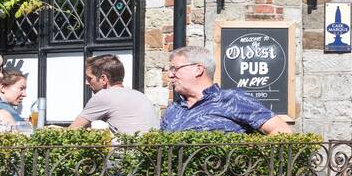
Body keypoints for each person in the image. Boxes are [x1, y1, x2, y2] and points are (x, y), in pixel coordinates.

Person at [160, 45, 293, 135]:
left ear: (198, 69)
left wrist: (248, 156)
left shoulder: (232, 100)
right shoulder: (173, 109)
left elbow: (282, 131)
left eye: (175, 69)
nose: (170, 75)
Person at [70, 54, 158, 133]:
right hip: (152, 150)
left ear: (103, 79)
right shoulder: (140, 95)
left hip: (125, 150)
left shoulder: (103, 96)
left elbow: (72, 131)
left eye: (90, 78)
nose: (86, 83)